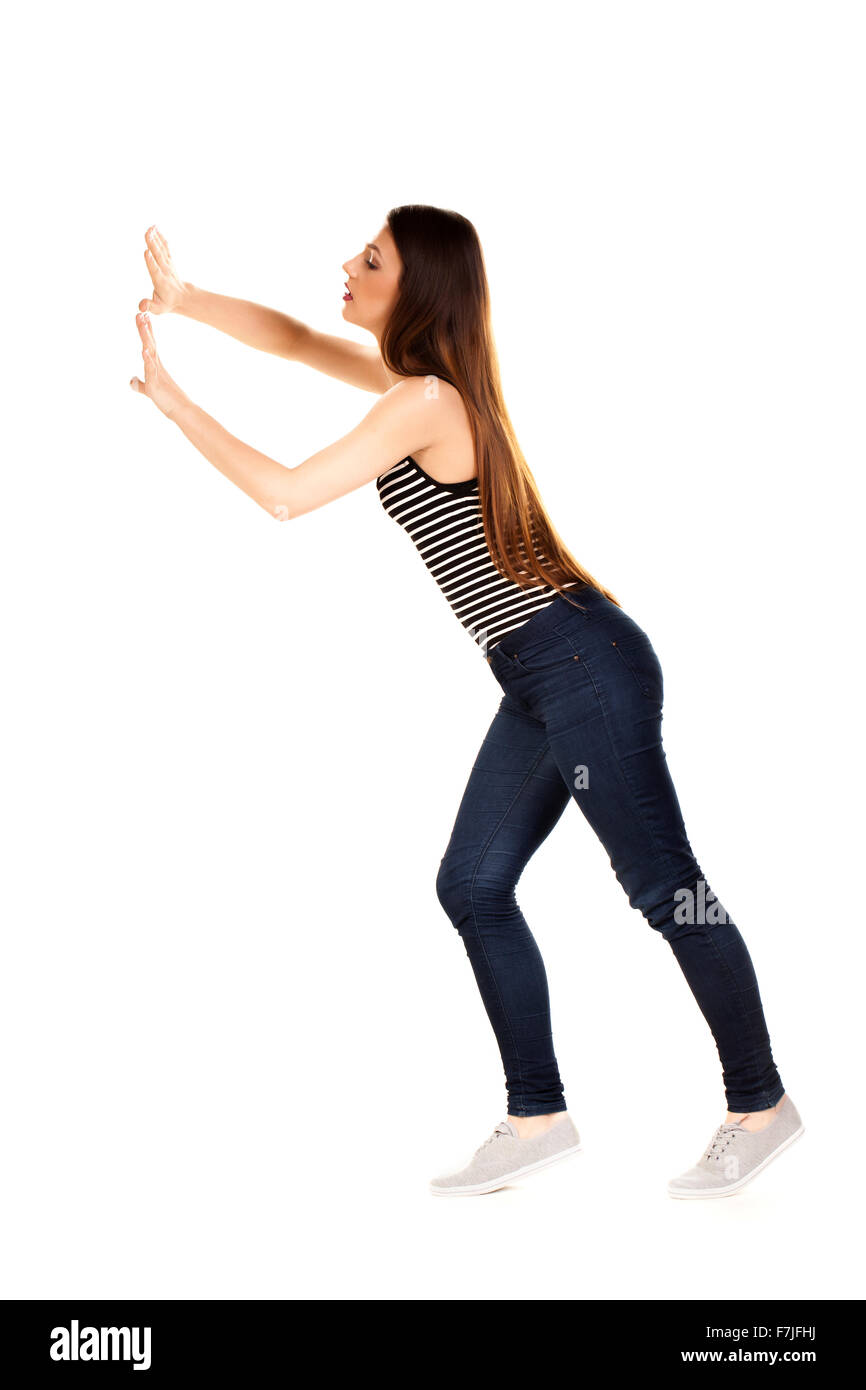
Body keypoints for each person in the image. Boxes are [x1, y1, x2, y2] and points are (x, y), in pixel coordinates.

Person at [130, 204, 804, 1200]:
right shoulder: (418, 389)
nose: (346, 266)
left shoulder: (426, 402)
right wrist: (187, 303)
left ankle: (759, 1104)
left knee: (665, 886)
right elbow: (302, 339)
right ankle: (537, 1117)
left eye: (370, 259)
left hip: (577, 660)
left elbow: (281, 495)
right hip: (536, 673)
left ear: (419, 286)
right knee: (473, 884)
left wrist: (176, 405)